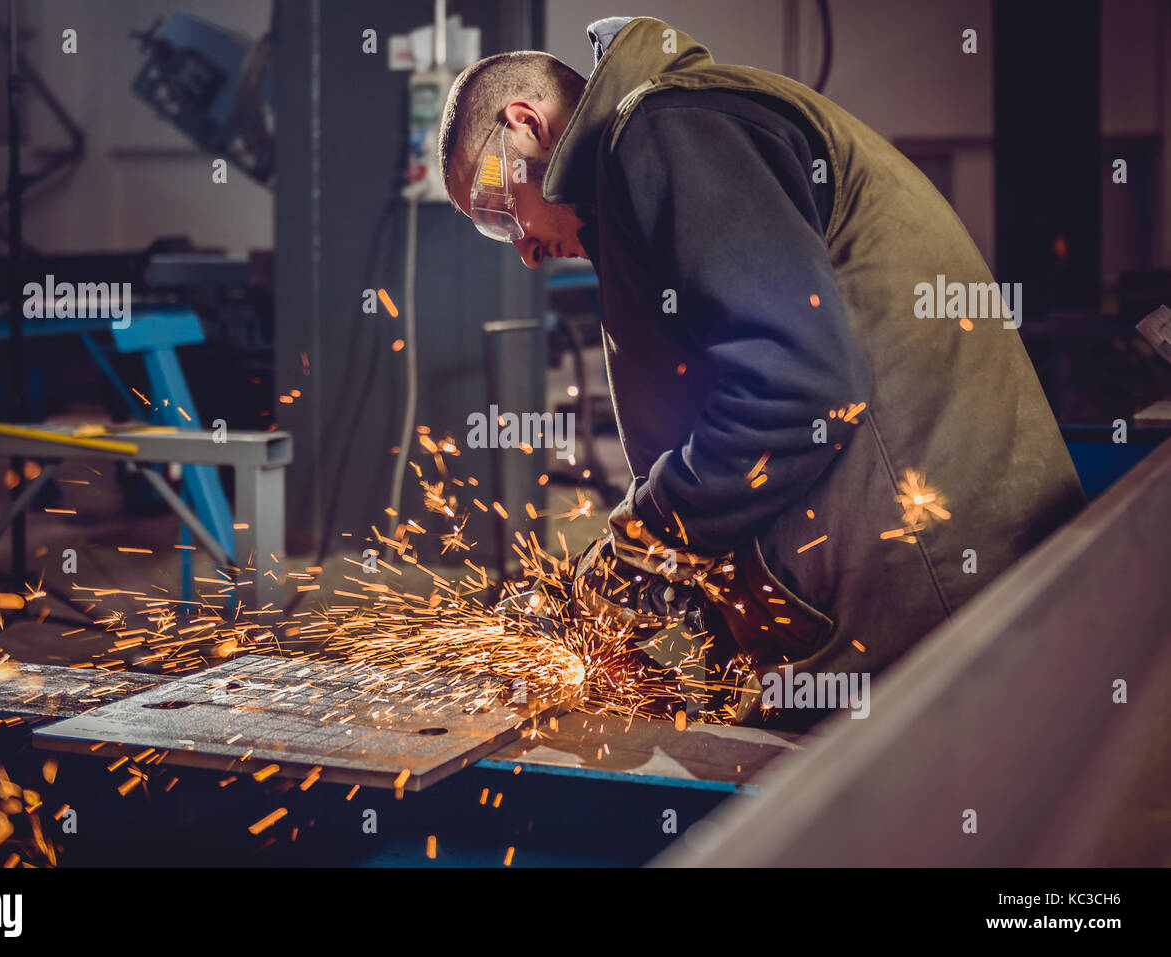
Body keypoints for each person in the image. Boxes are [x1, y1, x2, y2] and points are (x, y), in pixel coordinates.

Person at [438, 16, 1085, 724]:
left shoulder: (665, 127)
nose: (523, 249)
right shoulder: (660, 150)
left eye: (499, 213)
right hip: (924, 595)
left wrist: (644, 543)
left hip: (936, 599)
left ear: (525, 123)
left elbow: (798, 386)